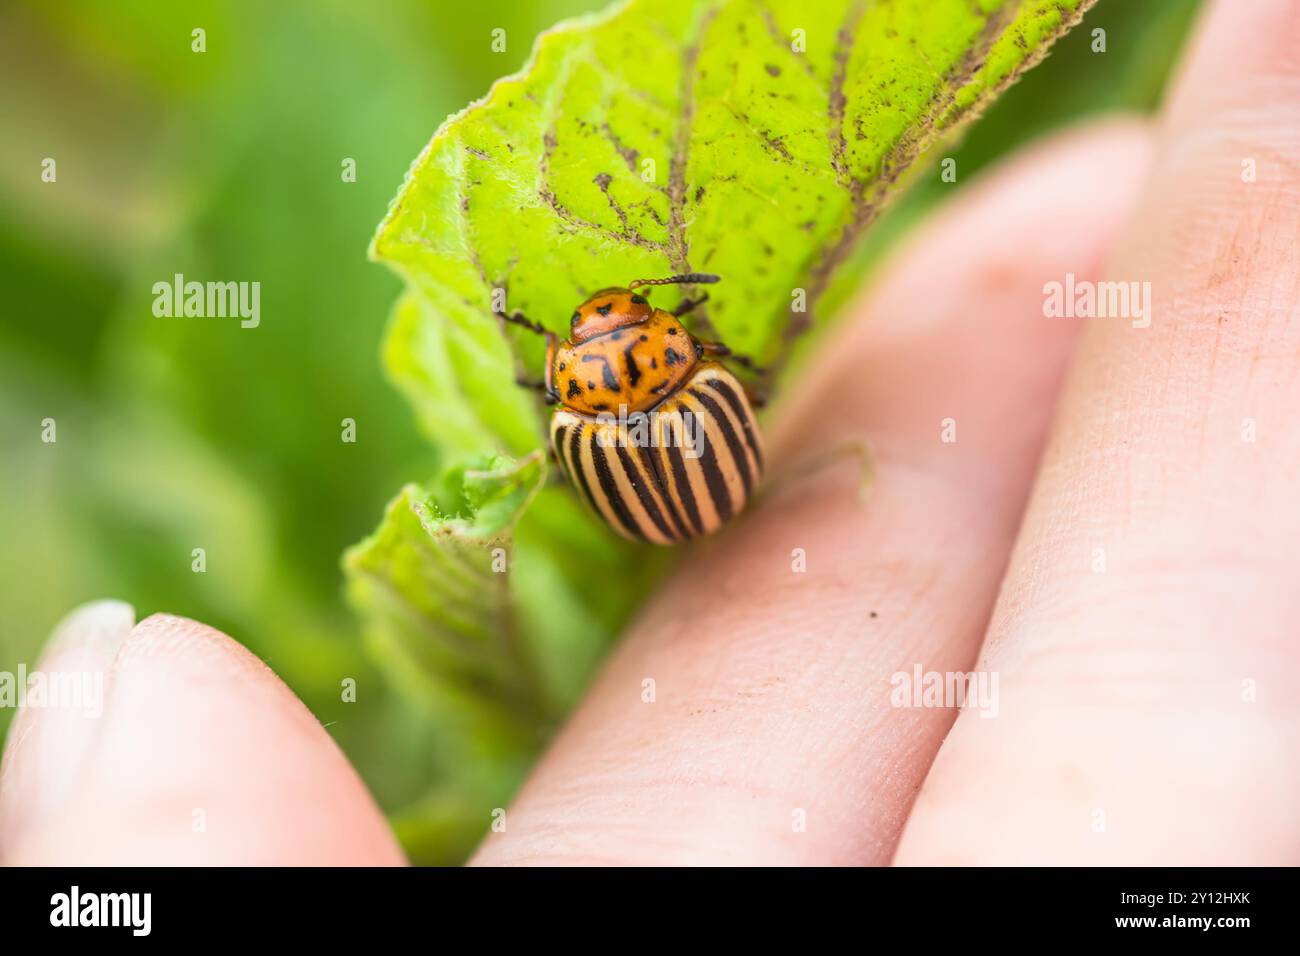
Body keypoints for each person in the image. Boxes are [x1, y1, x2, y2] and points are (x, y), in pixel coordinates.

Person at [2, 0, 1295, 865]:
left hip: (668, 495)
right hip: (692, 478)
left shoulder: (591, 395)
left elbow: (595, 397)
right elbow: (664, 364)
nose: (613, 328)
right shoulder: (671, 371)